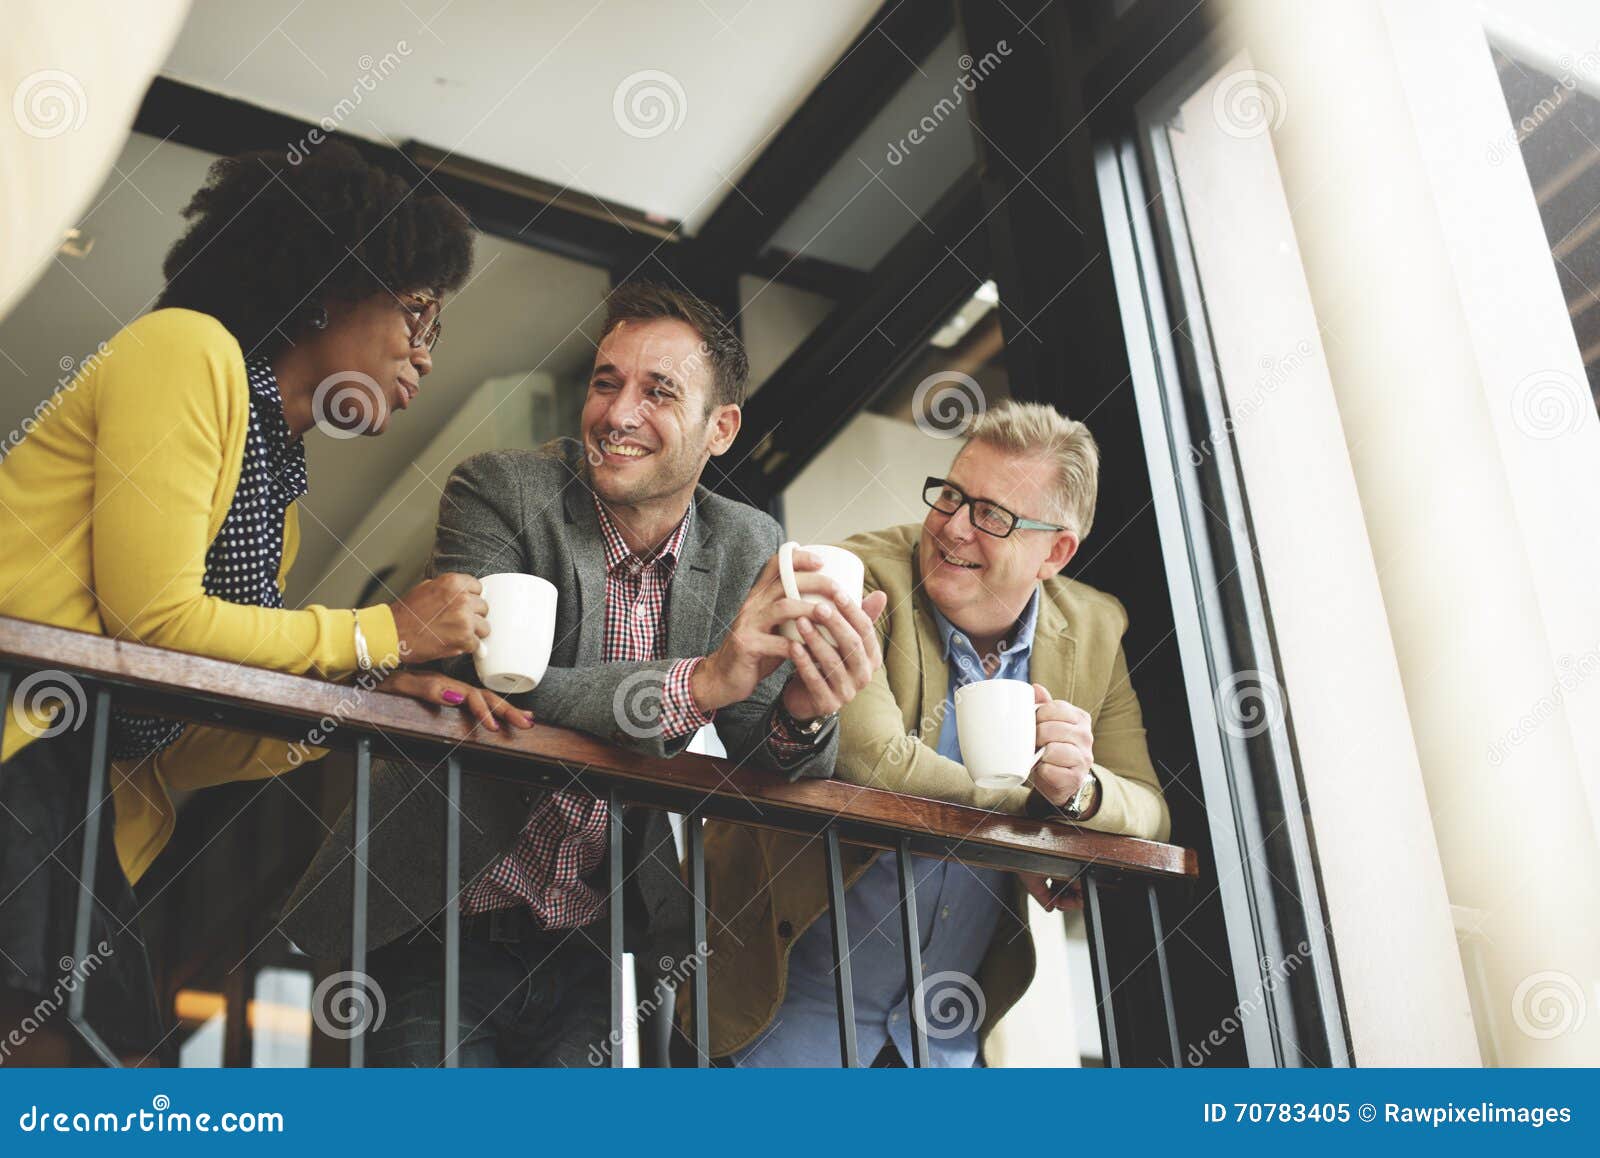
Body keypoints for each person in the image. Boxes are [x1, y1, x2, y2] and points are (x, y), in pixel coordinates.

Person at [280, 281, 888, 1067]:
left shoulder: (747, 543)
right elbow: (496, 690)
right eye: (607, 383)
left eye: (658, 392)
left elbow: (765, 756)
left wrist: (804, 710)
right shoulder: (500, 490)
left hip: (594, 944)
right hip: (438, 922)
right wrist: (701, 684)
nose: (618, 413)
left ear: (721, 429)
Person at [0, 142, 511, 1064]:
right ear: (333, 285)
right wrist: (377, 630)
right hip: (21, 766)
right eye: (419, 312)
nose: (427, 356)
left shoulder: (274, 488)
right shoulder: (187, 349)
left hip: (80, 814)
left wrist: (361, 691)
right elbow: (152, 623)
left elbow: (184, 734)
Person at [698, 400, 1170, 1067]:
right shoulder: (860, 575)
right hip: (784, 1013)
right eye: (951, 496)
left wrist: (1083, 791)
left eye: (993, 516)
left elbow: (1146, 807)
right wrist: (1042, 820)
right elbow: (874, 763)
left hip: (943, 1039)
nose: (952, 529)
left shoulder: (1095, 627)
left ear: (1056, 551)